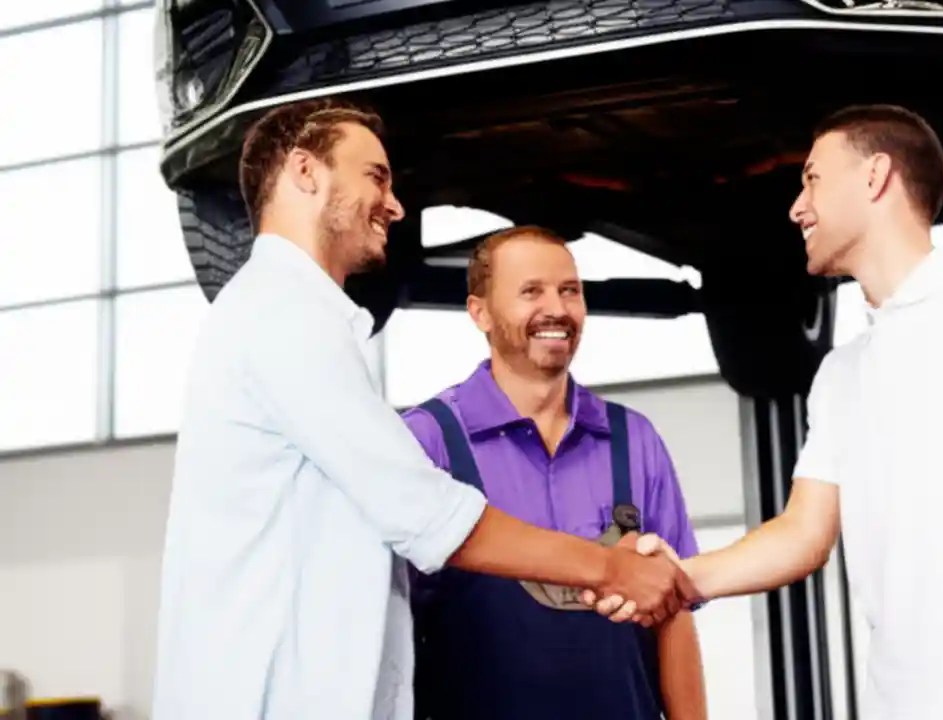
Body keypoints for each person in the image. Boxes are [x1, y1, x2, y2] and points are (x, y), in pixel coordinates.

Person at [150, 98, 695, 720]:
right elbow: (425, 512)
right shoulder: (283, 317)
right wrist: (609, 568)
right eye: (375, 177)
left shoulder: (291, 317)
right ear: (305, 171)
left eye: (570, 289)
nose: (395, 204)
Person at [599, 105, 943, 720]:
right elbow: (804, 533)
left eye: (812, 179)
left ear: (875, 176)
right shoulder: (842, 371)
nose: (796, 207)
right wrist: (681, 578)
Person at [399, 225, 707, 720]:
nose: (557, 309)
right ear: (479, 312)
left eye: (570, 291)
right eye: (531, 292)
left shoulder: (635, 441)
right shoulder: (427, 442)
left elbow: (675, 616)